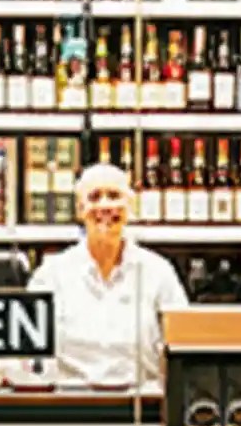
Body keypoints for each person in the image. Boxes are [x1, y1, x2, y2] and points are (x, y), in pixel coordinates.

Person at [26, 162, 189, 386]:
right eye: (94, 197)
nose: (104, 205)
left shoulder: (158, 273)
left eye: (114, 196)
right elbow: (26, 357)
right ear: (80, 209)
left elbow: (183, 346)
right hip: (69, 407)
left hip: (143, 408)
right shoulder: (51, 276)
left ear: (130, 207)